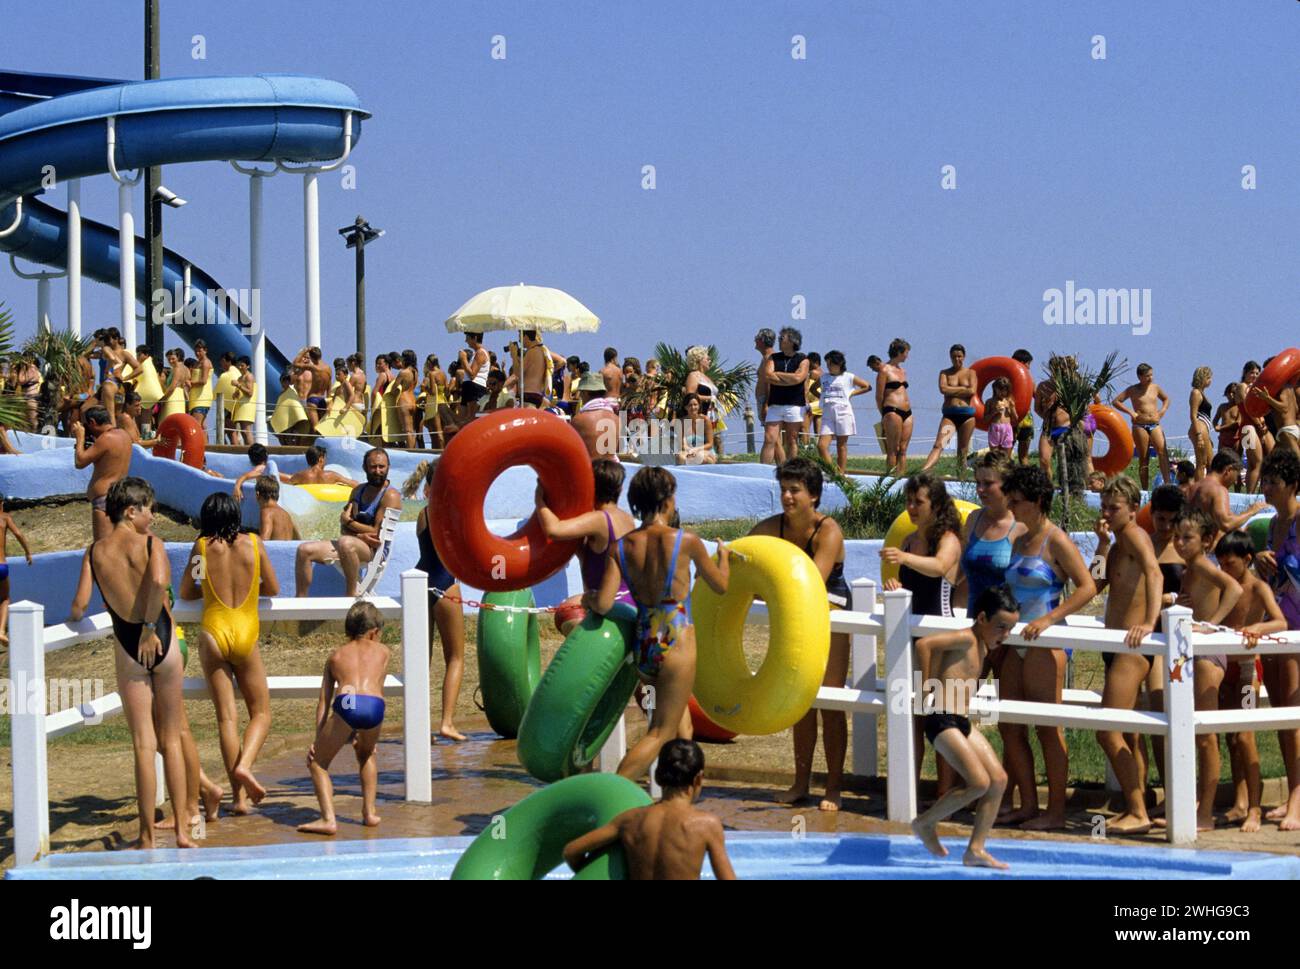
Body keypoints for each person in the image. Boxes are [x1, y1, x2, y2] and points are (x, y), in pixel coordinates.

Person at [68, 478, 194, 849]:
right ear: (130, 511)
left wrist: (88, 618)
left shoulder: (94, 552)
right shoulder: (153, 544)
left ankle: (146, 836)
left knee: (143, 743)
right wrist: (150, 627)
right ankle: (184, 832)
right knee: (171, 740)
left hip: (126, 645)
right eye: (149, 510)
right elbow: (158, 582)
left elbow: (78, 606)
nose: (152, 517)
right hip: (162, 639)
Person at [589, 467, 730, 781]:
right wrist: (723, 557)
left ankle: (677, 797)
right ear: (667, 501)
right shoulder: (686, 541)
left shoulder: (621, 547)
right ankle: (611, 791)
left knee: (682, 726)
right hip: (677, 639)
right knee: (660, 732)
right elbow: (720, 585)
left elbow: (604, 603)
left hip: (645, 642)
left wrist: (587, 599)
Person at [996, 465, 1096, 829]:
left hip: (1046, 642)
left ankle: (1055, 811)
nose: (1010, 506)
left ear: (1038, 501)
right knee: (1009, 727)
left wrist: (1051, 620)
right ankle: (1027, 803)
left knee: (1047, 729)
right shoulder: (1019, 537)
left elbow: (1087, 586)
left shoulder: (1057, 540)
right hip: (1015, 640)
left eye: (1017, 501)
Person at [749, 458, 850, 810]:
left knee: (831, 701)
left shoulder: (829, 531)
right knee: (800, 703)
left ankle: (834, 788)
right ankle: (800, 783)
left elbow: (812, 582)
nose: (787, 497)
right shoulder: (771, 527)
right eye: (784, 489)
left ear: (815, 496)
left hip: (831, 609)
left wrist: (766, 592)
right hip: (796, 610)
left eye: (795, 490)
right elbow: (739, 559)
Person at [180, 492, 280, 813]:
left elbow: (187, 591)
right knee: (261, 713)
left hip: (214, 632)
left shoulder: (202, 548)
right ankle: (246, 765)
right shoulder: (253, 544)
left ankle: (238, 798)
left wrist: (209, 586)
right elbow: (274, 588)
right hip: (245, 631)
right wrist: (252, 589)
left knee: (226, 717)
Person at [911, 584, 1019, 870]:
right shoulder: (967, 639)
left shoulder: (981, 645)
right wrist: (924, 689)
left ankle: (975, 850)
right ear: (981, 618)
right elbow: (925, 644)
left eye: (1010, 629)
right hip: (941, 719)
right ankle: (925, 823)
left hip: (960, 722)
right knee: (979, 782)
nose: (1005, 635)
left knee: (998, 780)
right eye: (1001, 627)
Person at [1092, 474, 1164, 834]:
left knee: (1107, 731)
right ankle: (1139, 803)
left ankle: (1137, 811)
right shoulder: (1119, 541)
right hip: (1116, 646)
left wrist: (1150, 622)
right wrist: (1101, 544)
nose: (1106, 512)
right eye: (1104, 506)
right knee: (1130, 734)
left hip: (1132, 648)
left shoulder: (1135, 536)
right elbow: (1094, 582)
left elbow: (1154, 573)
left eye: (1113, 508)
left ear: (1133, 510)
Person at [563, 739, 736, 880]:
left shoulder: (629, 820)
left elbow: (571, 850)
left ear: (657, 776)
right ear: (698, 778)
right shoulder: (706, 825)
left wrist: (590, 873)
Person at [1170, 507, 1243, 830]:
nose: (1180, 543)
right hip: (1190, 655)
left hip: (1207, 657)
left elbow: (1234, 589)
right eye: (1177, 537)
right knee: (1194, 734)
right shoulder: (1190, 569)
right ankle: (1198, 803)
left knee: (1205, 737)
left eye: (1187, 537)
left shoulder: (1200, 564)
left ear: (1206, 541)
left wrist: (1211, 625)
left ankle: (1206, 812)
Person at [1215, 529, 1287, 833]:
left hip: (1247, 669)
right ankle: (1240, 802)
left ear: (1246, 559)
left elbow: (1280, 620)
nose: (1224, 570)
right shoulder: (1221, 586)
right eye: (1221, 564)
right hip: (1222, 666)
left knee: (1245, 736)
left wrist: (1257, 626)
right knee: (1231, 738)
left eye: (1230, 564)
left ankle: (1255, 808)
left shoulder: (1257, 587)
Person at [297, 600, 390, 835]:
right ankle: (369, 813)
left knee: (318, 763)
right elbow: (377, 686)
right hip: (374, 706)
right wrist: (366, 733)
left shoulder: (336, 656)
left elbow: (323, 702)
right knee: (366, 753)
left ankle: (328, 819)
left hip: (347, 703)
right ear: (374, 632)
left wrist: (318, 740)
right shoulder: (383, 652)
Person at [1252, 448, 1300, 830]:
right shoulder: (1271, 525)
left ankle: (1298, 799)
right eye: (1265, 479)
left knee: (1296, 715)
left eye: (1274, 481)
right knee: (1283, 715)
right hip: (1279, 624)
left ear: (1292, 485)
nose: (1266, 486)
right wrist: (1262, 562)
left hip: (1298, 630)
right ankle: (1292, 792)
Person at [537, 459, 636, 634]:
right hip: (629, 601)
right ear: (619, 489)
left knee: (567, 612)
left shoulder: (599, 519)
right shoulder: (626, 519)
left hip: (611, 604)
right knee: (571, 606)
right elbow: (593, 557)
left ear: (590, 487)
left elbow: (553, 530)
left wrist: (540, 500)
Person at [410, 460, 468, 741]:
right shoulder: (449, 511)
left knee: (423, 659)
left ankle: (421, 725)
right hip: (445, 585)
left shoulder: (424, 513)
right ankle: (446, 722)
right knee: (455, 657)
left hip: (421, 580)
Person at [295, 447, 402, 597]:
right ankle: (300, 603)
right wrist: (358, 534)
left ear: (388, 467)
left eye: (381, 467)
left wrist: (350, 523)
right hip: (353, 542)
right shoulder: (358, 491)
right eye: (373, 467)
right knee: (304, 550)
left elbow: (376, 533)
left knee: (346, 543)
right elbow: (343, 527)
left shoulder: (390, 495)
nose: (377, 471)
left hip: (374, 550)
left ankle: (351, 595)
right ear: (365, 468)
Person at [72, 406, 132, 540]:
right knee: (118, 542)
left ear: (92, 422)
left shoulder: (106, 439)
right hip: (121, 494)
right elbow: (108, 462)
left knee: (102, 546)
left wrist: (80, 438)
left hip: (104, 498)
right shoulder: (124, 435)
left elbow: (80, 462)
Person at [1186, 449, 1268, 543]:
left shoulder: (1193, 487)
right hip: (1208, 549)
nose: (1235, 481)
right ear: (1228, 470)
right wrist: (1251, 511)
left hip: (1190, 544)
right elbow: (1226, 524)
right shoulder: (1219, 490)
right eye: (1236, 475)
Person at [920, 344, 978, 476]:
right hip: (950, 416)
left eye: (959, 356)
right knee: (939, 445)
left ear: (964, 357)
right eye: (954, 357)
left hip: (967, 416)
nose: (957, 359)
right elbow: (943, 389)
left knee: (962, 451)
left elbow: (972, 391)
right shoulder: (945, 373)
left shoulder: (971, 373)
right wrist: (963, 389)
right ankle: (924, 471)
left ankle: (961, 477)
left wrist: (952, 391)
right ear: (950, 358)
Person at [1113, 363, 1171, 489]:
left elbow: (1166, 399)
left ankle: (1168, 484)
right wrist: (1130, 412)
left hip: (1155, 423)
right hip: (1140, 425)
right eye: (1147, 376)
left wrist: (1162, 411)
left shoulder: (1155, 388)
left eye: (1151, 375)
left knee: (1162, 451)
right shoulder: (1133, 390)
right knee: (1144, 458)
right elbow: (1116, 401)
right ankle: (1144, 489)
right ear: (1140, 377)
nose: (1151, 378)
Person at [760, 327, 808, 466]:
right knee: (769, 438)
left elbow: (799, 378)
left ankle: (791, 469)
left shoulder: (803, 359)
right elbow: (768, 376)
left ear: (792, 341)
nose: (779, 340)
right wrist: (790, 379)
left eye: (782, 338)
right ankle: (762, 470)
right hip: (775, 404)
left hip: (794, 405)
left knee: (791, 439)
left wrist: (779, 375)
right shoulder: (773, 357)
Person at [817, 350, 871, 473]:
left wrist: (851, 393)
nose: (828, 367)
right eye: (827, 364)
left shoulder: (848, 377)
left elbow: (867, 386)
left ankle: (840, 473)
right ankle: (832, 471)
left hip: (843, 411)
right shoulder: (823, 377)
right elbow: (814, 388)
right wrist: (822, 396)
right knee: (821, 445)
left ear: (839, 364)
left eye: (831, 364)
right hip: (827, 411)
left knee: (841, 445)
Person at [876, 338, 913, 477]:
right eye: (906, 352)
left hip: (907, 412)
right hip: (892, 410)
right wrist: (884, 415)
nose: (907, 356)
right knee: (893, 449)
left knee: (903, 449)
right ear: (899, 352)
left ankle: (902, 480)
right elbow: (879, 396)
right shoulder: (884, 369)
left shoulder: (902, 371)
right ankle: (890, 481)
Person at [0, 493, 33, 645]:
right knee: (5, 598)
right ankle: (1, 631)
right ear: (1, 503)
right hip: (2, 565)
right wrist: (27, 552)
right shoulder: (5, 518)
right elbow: (18, 533)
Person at [1248, 373, 1300, 456]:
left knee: (1297, 462)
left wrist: (1267, 398)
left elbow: (1284, 408)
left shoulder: (1282, 387)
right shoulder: (1290, 388)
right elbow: (1296, 409)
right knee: (1271, 463)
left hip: (1286, 431)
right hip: (1291, 429)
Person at [754, 329, 781, 463]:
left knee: (772, 438)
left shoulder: (771, 358)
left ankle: (765, 468)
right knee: (775, 440)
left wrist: (766, 404)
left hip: (768, 400)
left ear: (762, 341)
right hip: (765, 399)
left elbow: (771, 382)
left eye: (756, 338)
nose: (754, 341)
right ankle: (783, 468)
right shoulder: (766, 358)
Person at [280, 445, 359, 488]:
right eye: (325, 459)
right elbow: (354, 484)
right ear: (321, 459)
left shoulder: (300, 475)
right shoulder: (332, 475)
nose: (325, 461)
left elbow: (286, 488)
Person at [1188, 367, 1216, 479]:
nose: (1210, 381)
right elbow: (1193, 415)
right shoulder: (1196, 393)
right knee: (1202, 463)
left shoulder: (1201, 393)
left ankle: (1206, 488)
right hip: (1199, 427)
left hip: (1204, 429)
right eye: (1209, 378)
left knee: (1210, 463)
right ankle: (1198, 490)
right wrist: (1199, 435)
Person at [457, 332, 490, 424]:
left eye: (467, 337)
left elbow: (472, 374)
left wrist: (463, 359)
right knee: (463, 419)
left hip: (475, 388)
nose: (466, 340)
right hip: (471, 387)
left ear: (475, 338)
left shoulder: (480, 353)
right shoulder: (477, 353)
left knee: (472, 419)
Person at [675, 393, 716, 465]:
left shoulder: (706, 420)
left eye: (695, 404)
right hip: (688, 451)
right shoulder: (681, 422)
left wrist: (697, 450)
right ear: (685, 407)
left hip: (704, 451)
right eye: (690, 405)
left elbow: (710, 444)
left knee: (700, 457)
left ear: (699, 406)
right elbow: (682, 445)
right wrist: (690, 451)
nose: (693, 407)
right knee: (680, 457)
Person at [1011, 349, 1036, 466]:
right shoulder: (1009, 379)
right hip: (1013, 419)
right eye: (1028, 364)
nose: (1029, 367)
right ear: (1021, 362)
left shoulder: (1029, 380)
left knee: (1023, 456)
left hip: (1024, 420)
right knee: (1013, 455)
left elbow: (1036, 395)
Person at [984, 377, 1018, 459]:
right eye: (1000, 390)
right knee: (994, 457)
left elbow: (1015, 419)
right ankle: (995, 471)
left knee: (1006, 457)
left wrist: (1012, 408)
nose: (1003, 392)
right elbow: (985, 419)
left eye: (1005, 390)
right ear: (995, 389)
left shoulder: (1009, 401)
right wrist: (994, 412)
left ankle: (1006, 471)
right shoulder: (989, 402)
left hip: (1007, 429)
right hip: (994, 428)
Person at [229, 356, 256, 447]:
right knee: (243, 431)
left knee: (246, 430)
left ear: (247, 366)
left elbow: (250, 393)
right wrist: (236, 393)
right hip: (241, 405)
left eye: (242, 365)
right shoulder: (240, 378)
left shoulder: (249, 376)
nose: (240, 367)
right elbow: (241, 392)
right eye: (239, 365)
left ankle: (252, 449)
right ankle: (247, 449)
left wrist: (238, 385)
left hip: (247, 406)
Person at [188, 339, 214, 427]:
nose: (197, 353)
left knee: (196, 425)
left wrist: (190, 383)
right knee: (202, 426)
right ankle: (205, 441)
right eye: (195, 351)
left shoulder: (205, 362)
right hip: (195, 397)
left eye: (199, 351)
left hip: (202, 397)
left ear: (205, 350)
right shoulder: (197, 363)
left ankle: (197, 441)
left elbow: (203, 381)